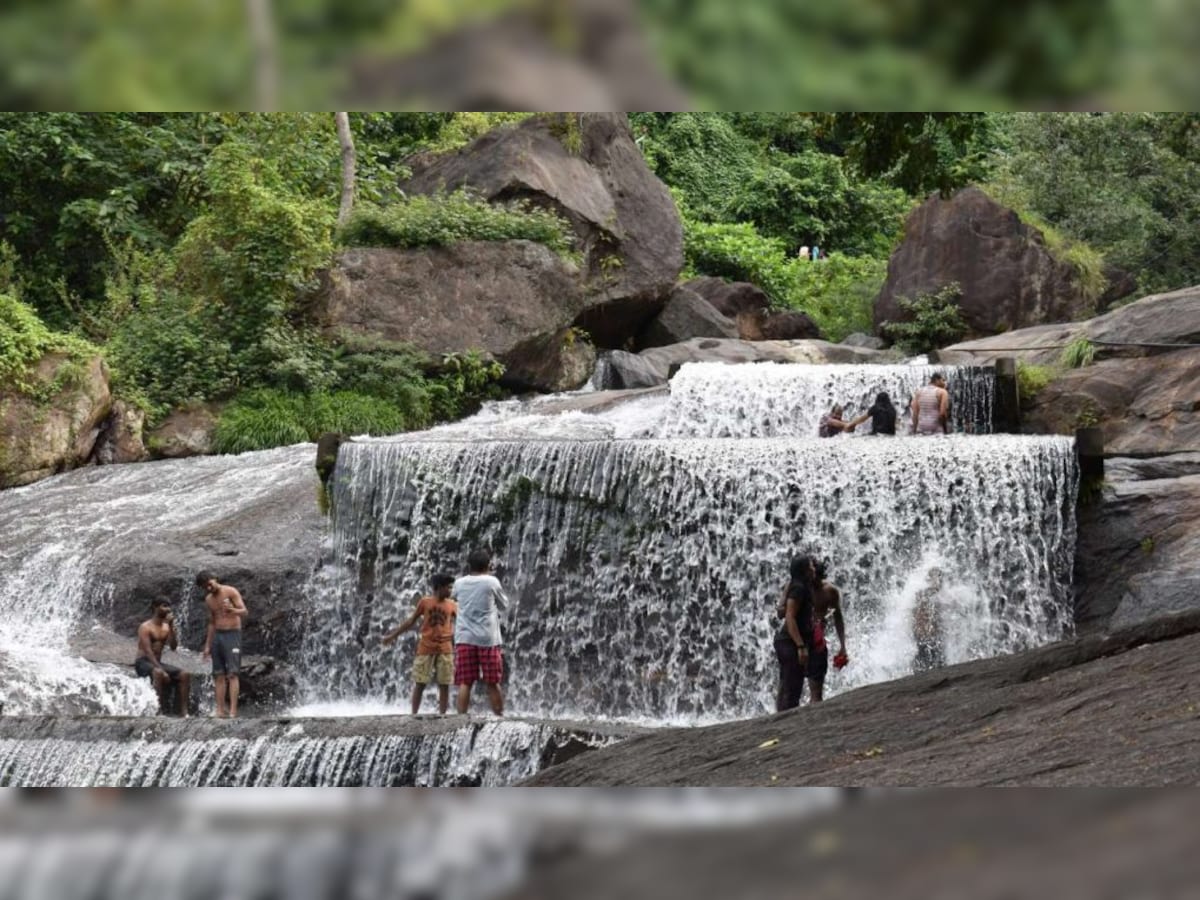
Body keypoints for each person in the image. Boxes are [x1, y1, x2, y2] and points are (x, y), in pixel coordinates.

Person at [382, 573, 458, 715]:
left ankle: (443, 715)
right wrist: (392, 636)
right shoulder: (425, 602)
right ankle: (414, 713)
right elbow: (411, 621)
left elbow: (463, 622)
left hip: (445, 649)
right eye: (448, 587)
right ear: (439, 588)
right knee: (420, 683)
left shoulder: (452, 605)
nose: (450, 591)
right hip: (426, 648)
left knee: (444, 684)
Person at [452, 549, 509, 716]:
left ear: (469, 566)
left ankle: (460, 719)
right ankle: (499, 719)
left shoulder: (459, 583)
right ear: (488, 565)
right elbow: (504, 606)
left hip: (464, 638)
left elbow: (453, 598)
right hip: (487, 639)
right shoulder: (492, 582)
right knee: (492, 681)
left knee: (465, 682)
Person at [196, 571, 247, 718]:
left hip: (232, 634)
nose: (209, 588)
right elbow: (211, 622)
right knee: (218, 674)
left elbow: (244, 612)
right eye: (206, 587)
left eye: (210, 584)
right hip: (218, 635)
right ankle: (220, 710)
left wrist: (233, 610)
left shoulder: (230, 591)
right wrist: (207, 646)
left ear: (215, 579)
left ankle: (233, 711)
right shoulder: (208, 600)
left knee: (232, 673)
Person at [772, 556, 816, 711]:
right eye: (811, 566)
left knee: (787, 682)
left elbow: (781, 612)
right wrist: (801, 646)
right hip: (789, 642)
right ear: (804, 570)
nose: (814, 569)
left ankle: (781, 717)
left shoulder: (796, 585)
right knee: (792, 685)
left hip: (786, 642)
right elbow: (790, 617)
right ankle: (785, 720)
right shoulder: (798, 588)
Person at [135, 599, 191, 716]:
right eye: (164, 606)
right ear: (155, 607)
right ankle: (158, 711)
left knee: (184, 674)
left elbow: (173, 647)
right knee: (158, 673)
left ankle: (184, 712)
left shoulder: (166, 627)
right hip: (143, 662)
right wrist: (161, 669)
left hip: (157, 662)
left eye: (169, 606)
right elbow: (148, 651)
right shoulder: (145, 627)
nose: (168, 609)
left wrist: (171, 626)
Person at [809, 560, 848, 703]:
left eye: (814, 579)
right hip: (799, 637)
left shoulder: (830, 591)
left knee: (816, 687)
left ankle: (813, 707)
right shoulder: (800, 589)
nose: (811, 583)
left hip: (817, 639)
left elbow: (838, 618)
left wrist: (843, 645)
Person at [913, 569, 946, 672]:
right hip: (923, 638)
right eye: (934, 578)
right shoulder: (923, 593)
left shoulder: (941, 597)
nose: (937, 581)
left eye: (939, 578)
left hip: (935, 638)